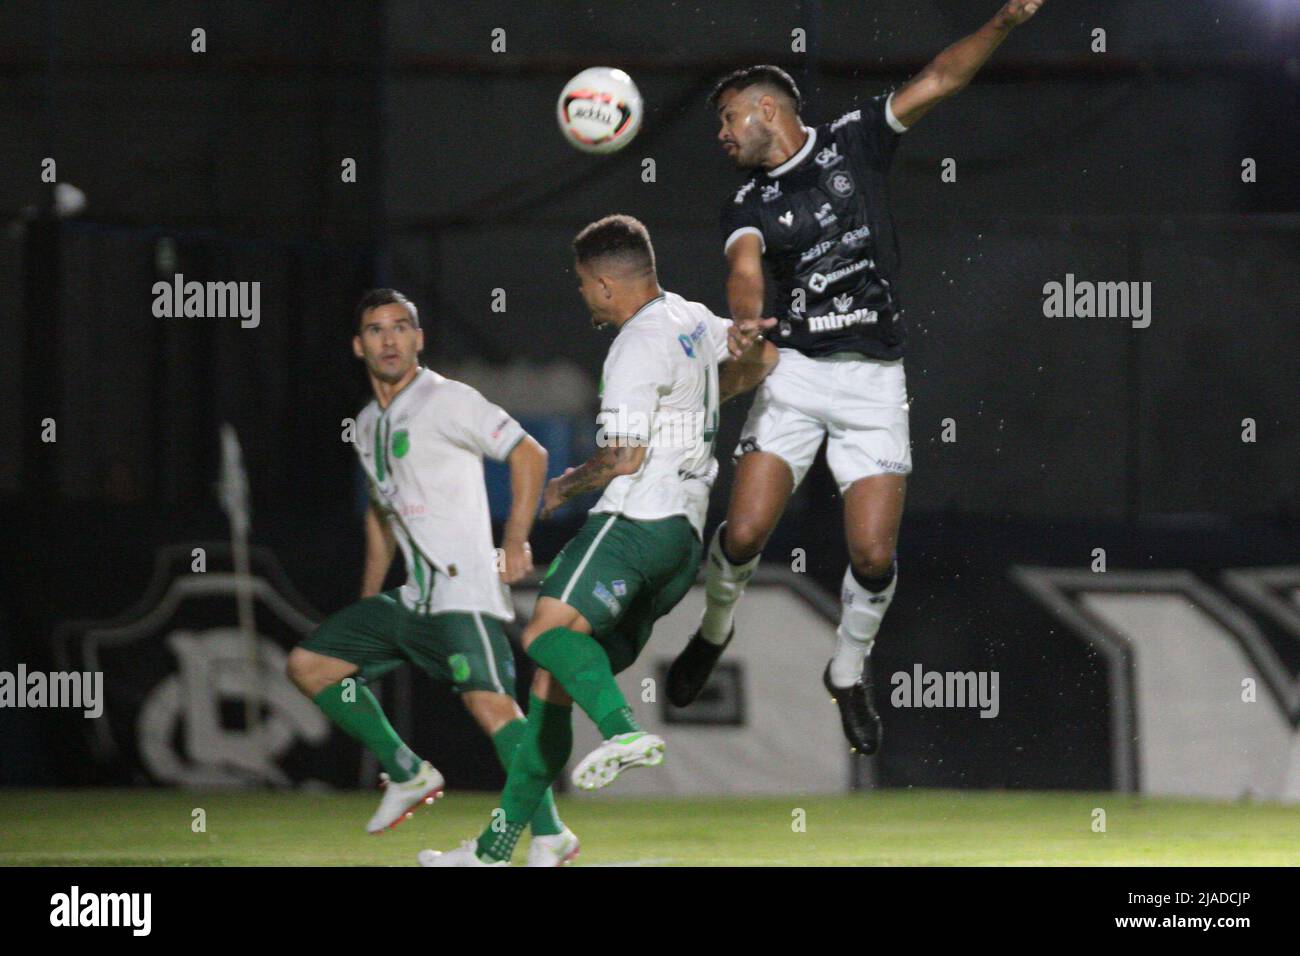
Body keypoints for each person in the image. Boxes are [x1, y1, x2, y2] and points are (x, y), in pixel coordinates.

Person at [668, 0, 1049, 754]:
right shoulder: (747, 202)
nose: (719, 136)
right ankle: (713, 630)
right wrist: (742, 316)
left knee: (872, 555)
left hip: (875, 381)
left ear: (765, 110)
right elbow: (745, 268)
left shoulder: (856, 141)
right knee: (742, 533)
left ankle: (847, 670)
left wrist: (1004, 22)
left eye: (726, 120)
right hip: (798, 374)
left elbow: (941, 77)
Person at [420, 214, 777, 866]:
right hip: (681, 544)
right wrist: (701, 405)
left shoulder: (635, 346)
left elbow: (623, 457)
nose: (583, 295)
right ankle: (504, 849)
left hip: (632, 524)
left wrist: (564, 487)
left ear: (607, 285)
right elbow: (763, 359)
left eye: (584, 284)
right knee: (551, 686)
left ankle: (622, 732)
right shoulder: (693, 317)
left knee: (540, 636)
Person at [286, 288, 579, 867]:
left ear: (419, 339)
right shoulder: (368, 423)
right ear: (358, 344)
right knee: (310, 665)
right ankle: (406, 770)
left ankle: (545, 836)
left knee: (495, 711)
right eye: (375, 329)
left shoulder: (448, 400)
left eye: (401, 328)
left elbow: (530, 454)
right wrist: (368, 603)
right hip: (413, 599)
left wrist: (515, 538)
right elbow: (381, 517)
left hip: (463, 589)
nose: (389, 339)